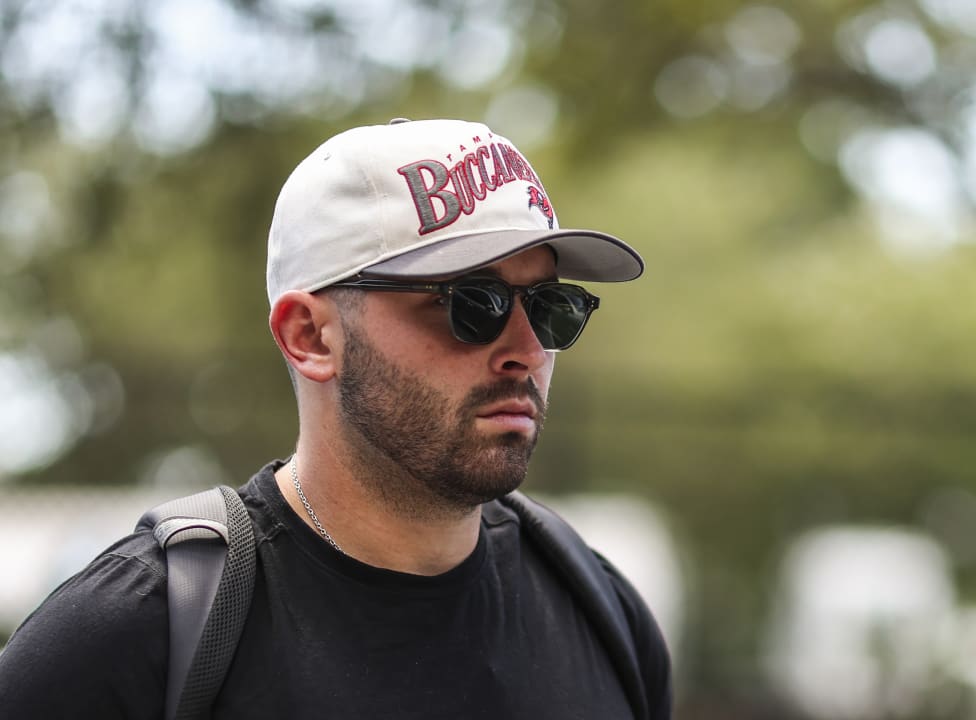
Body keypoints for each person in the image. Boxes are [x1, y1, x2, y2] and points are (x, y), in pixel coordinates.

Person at [0, 118, 672, 718]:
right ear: (312, 337)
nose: (527, 351)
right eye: (476, 302)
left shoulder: (601, 609)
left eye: (552, 306)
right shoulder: (138, 633)